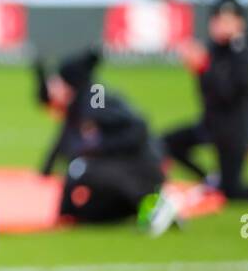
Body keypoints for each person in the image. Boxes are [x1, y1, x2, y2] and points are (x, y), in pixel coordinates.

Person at [162, 0, 248, 202]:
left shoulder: (245, 52)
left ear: (239, 22)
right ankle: (209, 180)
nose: (220, 25)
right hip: (211, 125)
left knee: (232, 193)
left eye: (227, 20)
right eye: (217, 19)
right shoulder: (215, 48)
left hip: (233, 133)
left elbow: (228, 93)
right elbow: (208, 95)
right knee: (166, 143)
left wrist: (202, 66)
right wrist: (201, 67)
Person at [35, 48, 171, 230]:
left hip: (142, 167)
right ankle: (128, 208)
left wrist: (99, 146)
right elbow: (63, 139)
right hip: (126, 165)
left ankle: (154, 202)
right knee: (87, 211)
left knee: (80, 168)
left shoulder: (94, 99)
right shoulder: (80, 104)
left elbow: (138, 128)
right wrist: (47, 170)